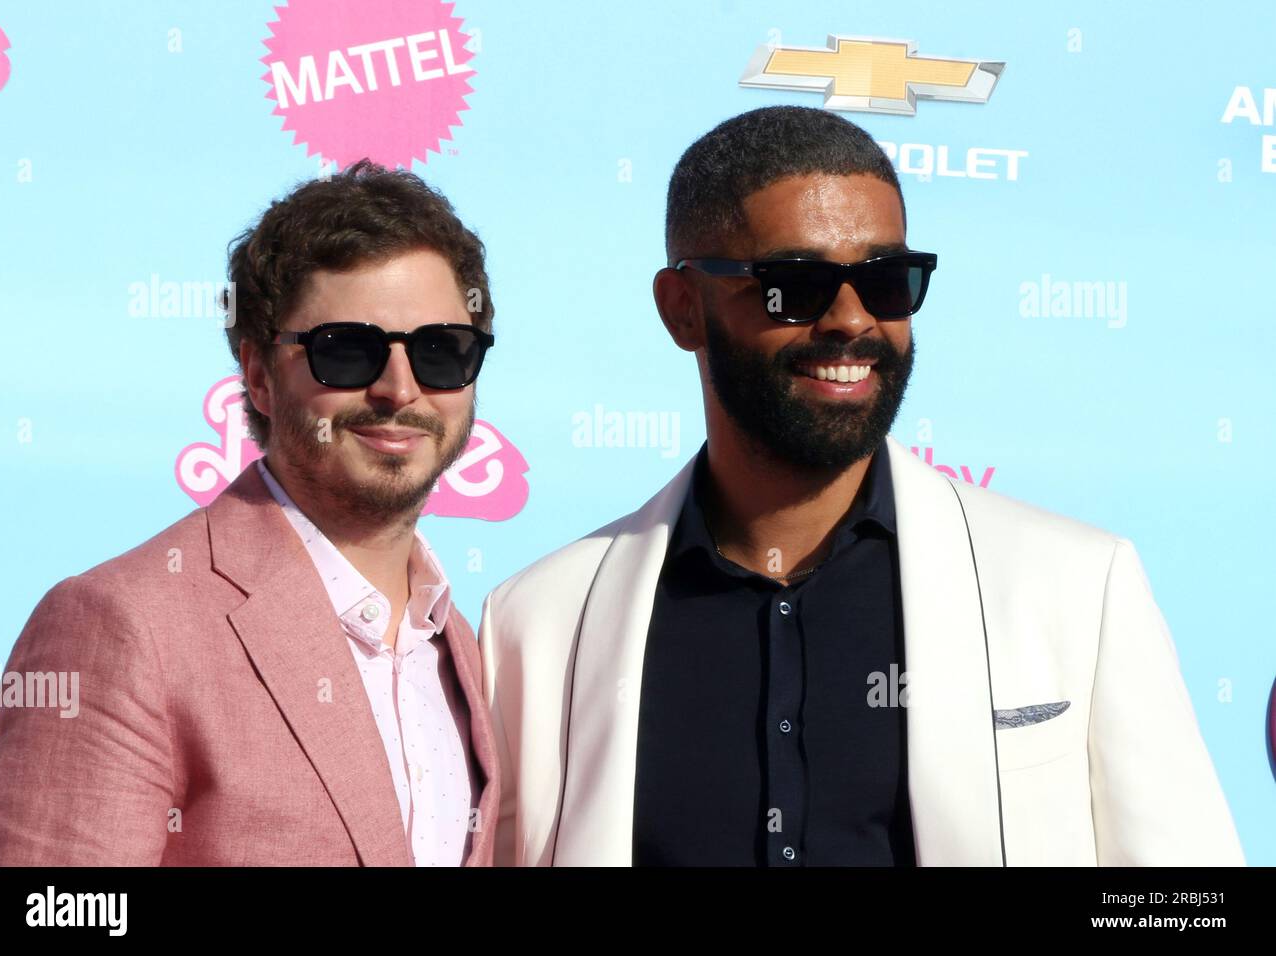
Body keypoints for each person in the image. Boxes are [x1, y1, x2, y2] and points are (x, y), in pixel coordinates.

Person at [477, 106, 1245, 866]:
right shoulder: (538, 623)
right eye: (795, 285)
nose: (851, 320)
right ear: (684, 309)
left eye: (887, 281)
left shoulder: (1075, 586)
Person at [0, 160, 499, 865]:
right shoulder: (122, 625)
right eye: (346, 351)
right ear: (257, 374)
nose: (399, 388)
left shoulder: (462, 646)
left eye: (440, 350)